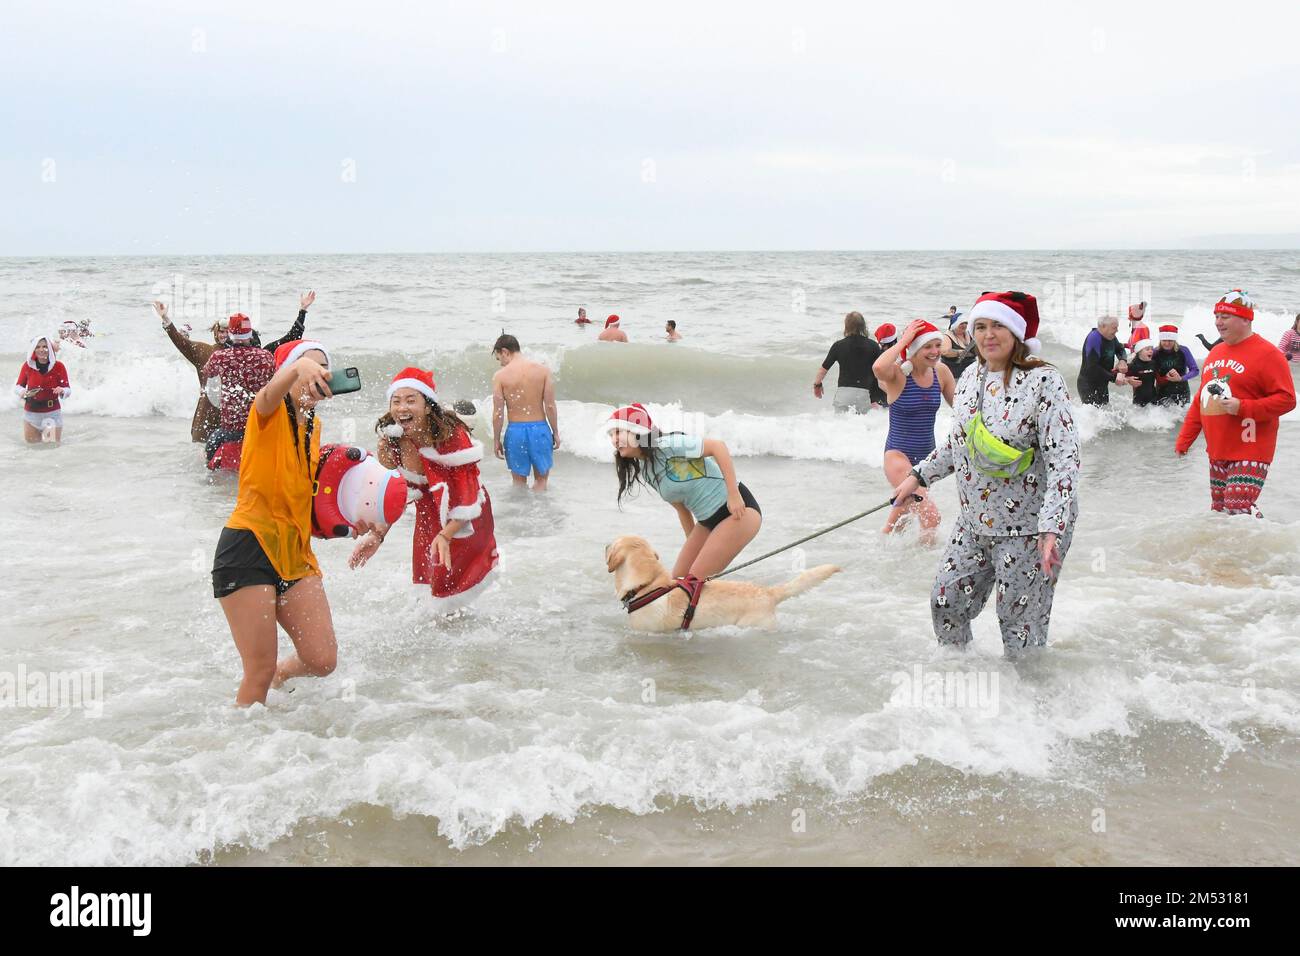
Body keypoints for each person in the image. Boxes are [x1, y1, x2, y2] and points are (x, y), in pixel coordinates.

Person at [891, 291, 1080, 655]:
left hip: (1032, 526)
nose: (987, 334)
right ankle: (962, 680)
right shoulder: (970, 378)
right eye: (980, 326)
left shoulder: (1043, 381)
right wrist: (917, 477)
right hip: (976, 520)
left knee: (1019, 626)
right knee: (946, 603)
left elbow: (1064, 460)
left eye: (997, 326)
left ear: (1016, 333)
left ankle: (1033, 702)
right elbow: (960, 443)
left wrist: (1052, 526)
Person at [211, 339, 361, 706]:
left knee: (322, 659)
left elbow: (307, 497)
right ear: (289, 372)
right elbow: (265, 397)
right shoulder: (268, 412)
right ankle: (242, 748)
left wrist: (360, 520)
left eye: (324, 368)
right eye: (311, 366)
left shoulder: (314, 425)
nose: (319, 373)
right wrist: (295, 369)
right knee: (257, 670)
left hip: (295, 551)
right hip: (249, 547)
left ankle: (282, 676)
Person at [353, 368, 499, 609]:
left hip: (467, 515)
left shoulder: (452, 437)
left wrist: (446, 534)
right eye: (396, 401)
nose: (402, 408)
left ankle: (458, 626)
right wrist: (377, 535)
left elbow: (467, 495)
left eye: (411, 400)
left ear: (428, 406)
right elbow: (398, 496)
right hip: (428, 515)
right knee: (430, 585)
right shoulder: (393, 442)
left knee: (455, 587)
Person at [1175, 289, 1297, 517]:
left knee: (1238, 506)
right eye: (1217, 316)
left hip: (1251, 446)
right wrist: (1185, 439)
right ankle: (1242, 551)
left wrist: (1243, 407)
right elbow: (1201, 401)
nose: (1218, 322)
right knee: (1221, 511)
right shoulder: (1215, 353)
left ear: (1245, 319)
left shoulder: (1269, 354)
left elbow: (1287, 399)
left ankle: (1272, 550)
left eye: (1225, 317)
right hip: (1218, 448)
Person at [606, 403, 761, 579]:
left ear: (636, 430)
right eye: (611, 435)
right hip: (707, 522)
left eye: (618, 432)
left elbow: (718, 447)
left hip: (737, 510)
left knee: (691, 583)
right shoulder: (647, 471)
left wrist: (734, 494)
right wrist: (693, 546)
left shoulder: (669, 445)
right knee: (677, 581)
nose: (614, 440)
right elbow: (682, 509)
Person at [154, 293, 313, 445]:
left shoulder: (224, 357)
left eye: (226, 331)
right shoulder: (209, 352)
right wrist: (166, 320)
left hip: (233, 426)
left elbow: (291, 337)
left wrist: (303, 311)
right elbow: (182, 343)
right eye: (221, 331)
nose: (223, 334)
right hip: (209, 423)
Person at [872, 319, 956, 542]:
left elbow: (964, 410)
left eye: (938, 345)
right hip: (898, 457)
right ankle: (926, 572)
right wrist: (906, 339)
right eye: (928, 346)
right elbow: (878, 367)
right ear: (915, 348)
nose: (935, 351)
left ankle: (880, 559)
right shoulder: (898, 375)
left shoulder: (942, 373)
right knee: (931, 517)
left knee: (900, 520)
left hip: (926, 461)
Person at [200, 314, 277, 466]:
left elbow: (206, 372)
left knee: (207, 450)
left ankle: (209, 469)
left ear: (230, 333)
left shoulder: (219, 357)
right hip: (260, 426)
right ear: (250, 334)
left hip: (231, 430)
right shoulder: (266, 357)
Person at [491, 333, 559, 491]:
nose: (501, 364)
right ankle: (540, 513)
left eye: (499, 358)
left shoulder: (500, 376)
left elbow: (498, 413)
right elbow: (550, 406)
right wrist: (555, 432)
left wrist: (496, 440)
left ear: (505, 352)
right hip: (540, 431)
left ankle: (521, 515)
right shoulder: (543, 371)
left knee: (519, 484)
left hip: (516, 433)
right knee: (541, 481)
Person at [813, 311, 885, 412]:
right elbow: (881, 370)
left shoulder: (838, 346)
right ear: (864, 326)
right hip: (864, 394)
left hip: (843, 394)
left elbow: (823, 369)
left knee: (840, 425)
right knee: (862, 425)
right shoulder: (873, 346)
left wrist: (817, 385)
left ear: (846, 326)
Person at [13, 334, 71, 444]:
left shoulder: (59, 366)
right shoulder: (27, 366)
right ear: (33, 349)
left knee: (50, 450)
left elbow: (68, 389)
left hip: (52, 415)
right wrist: (22, 392)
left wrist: (62, 390)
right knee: (32, 449)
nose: (41, 350)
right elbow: (18, 387)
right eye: (38, 347)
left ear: (49, 348)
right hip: (31, 414)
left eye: (45, 346)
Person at [1077, 316, 1128, 405]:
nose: (1117, 330)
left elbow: (1120, 349)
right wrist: (1114, 378)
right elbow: (1092, 367)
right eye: (1114, 328)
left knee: (1103, 414)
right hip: (1089, 385)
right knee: (1093, 416)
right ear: (1103, 326)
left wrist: (1122, 360)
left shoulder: (1111, 337)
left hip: (1103, 384)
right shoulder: (1094, 338)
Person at [1152, 325, 1199, 406]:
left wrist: (1181, 378)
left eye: (1170, 340)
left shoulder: (1183, 350)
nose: (1167, 343)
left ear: (1174, 340)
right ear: (1160, 340)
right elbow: (1146, 369)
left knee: (1182, 417)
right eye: (1164, 340)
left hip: (1182, 391)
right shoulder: (1155, 352)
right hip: (1162, 392)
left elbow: (1195, 370)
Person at [939, 311, 977, 381]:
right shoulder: (947, 336)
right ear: (955, 324)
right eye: (961, 323)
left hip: (971, 374)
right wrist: (961, 352)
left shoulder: (971, 335)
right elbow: (945, 352)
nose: (964, 325)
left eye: (966, 323)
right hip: (954, 375)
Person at [1123, 333, 1159, 407]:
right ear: (1139, 352)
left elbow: (1161, 377)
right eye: (1147, 349)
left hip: (1153, 399)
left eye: (1151, 349)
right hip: (1139, 401)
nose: (1151, 351)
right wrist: (1128, 379)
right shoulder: (1133, 365)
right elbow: (1117, 375)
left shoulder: (1154, 363)